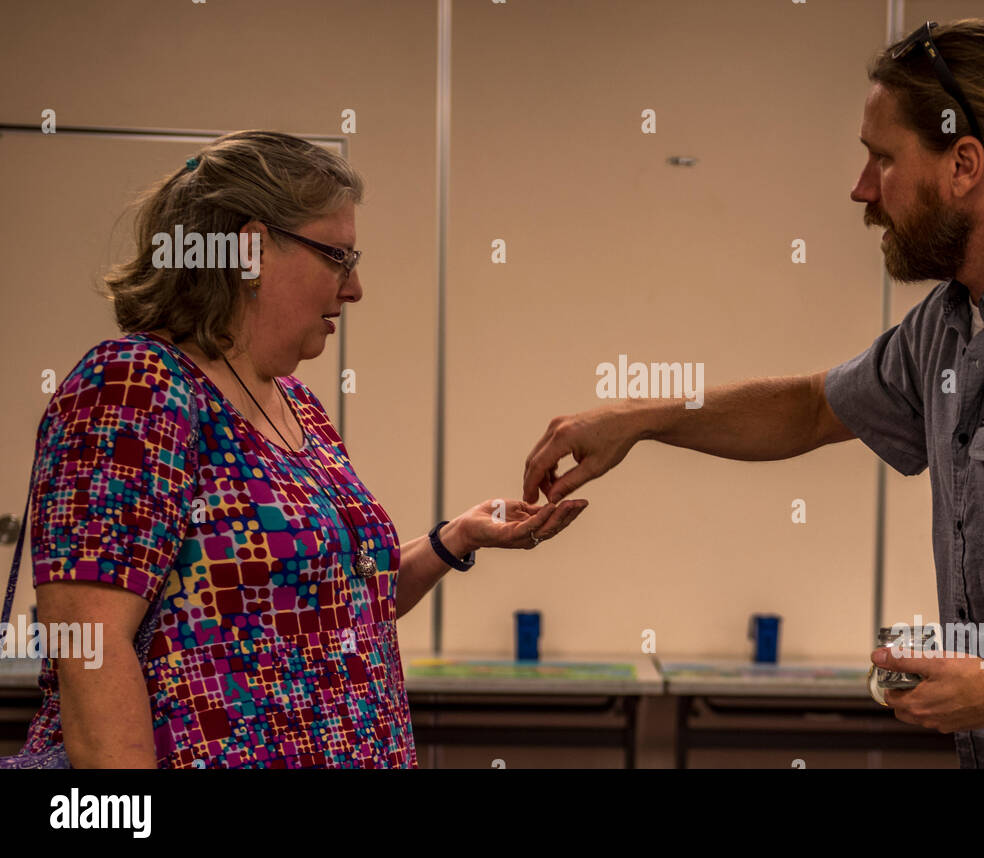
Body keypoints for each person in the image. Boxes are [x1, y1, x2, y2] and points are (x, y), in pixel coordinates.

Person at [521, 19, 984, 767]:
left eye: (882, 158)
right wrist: (637, 417)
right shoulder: (951, 325)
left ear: (965, 163)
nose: (861, 190)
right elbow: (812, 407)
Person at [24, 130, 588, 768]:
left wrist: (453, 539)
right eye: (338, 257)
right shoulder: (134, 387)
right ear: (250, 250)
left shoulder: (298, 406)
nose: (355, 288)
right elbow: (92, 650)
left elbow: (336, 608)